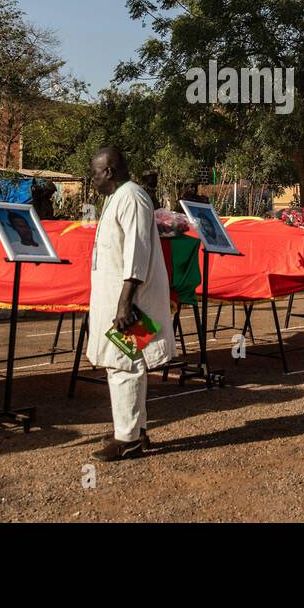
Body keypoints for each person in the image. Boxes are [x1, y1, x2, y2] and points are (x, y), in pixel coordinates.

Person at [88, 147, 174, 459]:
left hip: (130, 301)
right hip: (118, 300)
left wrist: (125, 302)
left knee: (124, 364)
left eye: (94, 174)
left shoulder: (132, 197)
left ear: (108, 171)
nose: (92, 180)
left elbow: (136, 252)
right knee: (127, 362)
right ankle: (136, 431)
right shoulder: (116, 198)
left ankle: (128, 440)